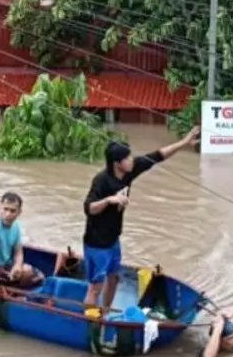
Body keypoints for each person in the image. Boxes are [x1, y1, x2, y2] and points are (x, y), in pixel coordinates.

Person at [81, 127, 200, 313]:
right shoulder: (101, 181)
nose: (131, 160)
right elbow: (89, 208)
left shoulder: (130, 170)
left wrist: (184, 143)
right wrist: (109, 200)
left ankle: (105, 311)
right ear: (117, 163)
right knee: (95, 287)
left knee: (114, 279)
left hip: (113, 240)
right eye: (127, 158)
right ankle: (88, 324)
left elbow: (158, 155)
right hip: (97, 244)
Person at [0, 192, 44, 296]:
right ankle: (11, 292)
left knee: (37, 275)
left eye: (12, 211)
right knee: (33, 275)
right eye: (5, 209)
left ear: (19, 212)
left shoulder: (15, 225)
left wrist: (17, 266)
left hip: (4, 265)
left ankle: (11, 289)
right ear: (0, 207)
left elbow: (18, 252)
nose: (8, 214)